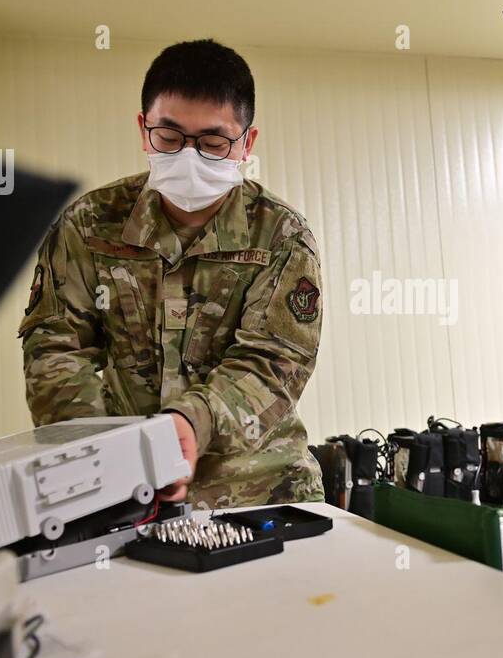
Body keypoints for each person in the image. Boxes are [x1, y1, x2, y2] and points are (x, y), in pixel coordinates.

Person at [20, 40, 324, 509]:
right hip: (124, 492)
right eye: (169, 135)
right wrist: (101, 456)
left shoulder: (280, 236)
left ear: (248, 143)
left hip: (260, 494)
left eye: (213, 141)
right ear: (144, 130)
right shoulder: (89, 225)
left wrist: (190, 424)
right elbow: (57, 345)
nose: (189, 156)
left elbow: (273, 364)